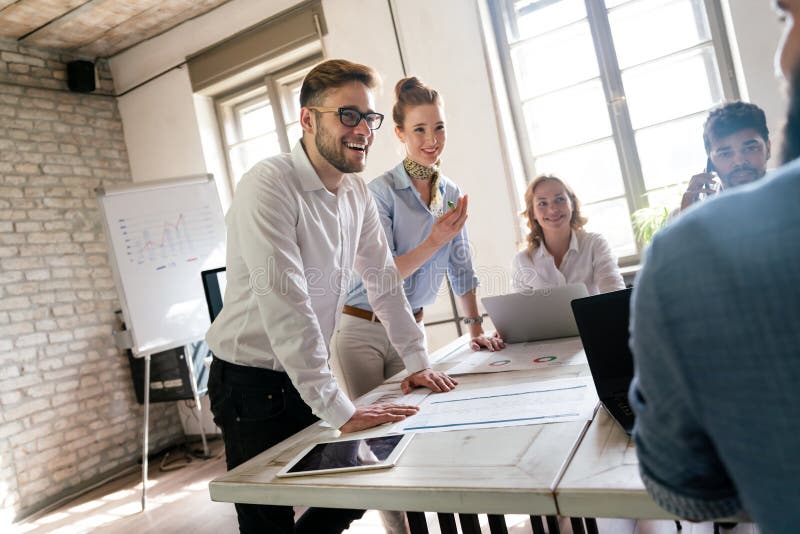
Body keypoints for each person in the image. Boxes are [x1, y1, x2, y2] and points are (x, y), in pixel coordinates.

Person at [206, 59, 457, 534]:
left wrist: (416, 360)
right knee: (268, 520)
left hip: (302, 374)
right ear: (308, 120)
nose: (363, 129)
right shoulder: (269, 184)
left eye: (369, 117)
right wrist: (340, 408)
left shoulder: (356, 193)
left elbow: (383, 281)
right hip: (248, 384)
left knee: (350, 489)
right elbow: (288, 304)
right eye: (348, 115)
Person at [628, 1, 800, 531]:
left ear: (767, 146)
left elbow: (687, 483)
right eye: (726, 154)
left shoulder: (687, 252)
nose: (741, 160)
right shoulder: (691, 232)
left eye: (750, 147)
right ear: (712, 163)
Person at [330, 77, 503, 404]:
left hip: (411, 329)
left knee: (418, 413)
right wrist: (435, 240)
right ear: (400, 133)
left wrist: (476, 329)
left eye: (439, 128)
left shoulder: (449, 192)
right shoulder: (380, 193)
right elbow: (382, 275)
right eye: (420, 129)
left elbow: (460, 265)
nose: (432, 140)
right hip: (362, 330)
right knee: (376, 427)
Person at [511, 175, 624, 295]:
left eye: (559, 199)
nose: (552, 210)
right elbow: (521, 312)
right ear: (532, 212)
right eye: (542, 203)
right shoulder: (522, 261)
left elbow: (615, 296)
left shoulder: (595, 244)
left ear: (572, 204)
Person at [678, 101, 771, 212]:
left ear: (768, 148)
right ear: (710, 161)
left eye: (750, 149)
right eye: (725, 154)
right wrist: (687, 220)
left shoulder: (793, 191)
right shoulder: (690, 214)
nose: (739, 161)